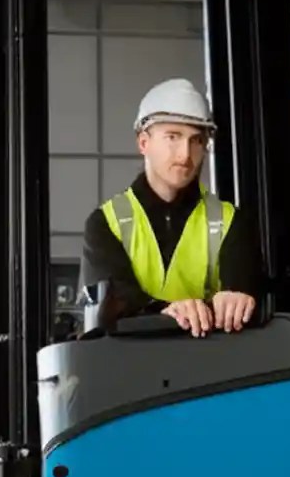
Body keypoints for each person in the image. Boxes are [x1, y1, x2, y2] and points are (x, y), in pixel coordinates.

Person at [81, 77, 264, 337]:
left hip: (216, 369)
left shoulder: (231, 222)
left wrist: (237, 301)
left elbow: (246, 296)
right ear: (143, 143)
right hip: (128, 369)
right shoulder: (105, 224)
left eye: (196, 141)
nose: (185, 155)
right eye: (173, 137)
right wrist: (170, 311)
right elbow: (112, 310)